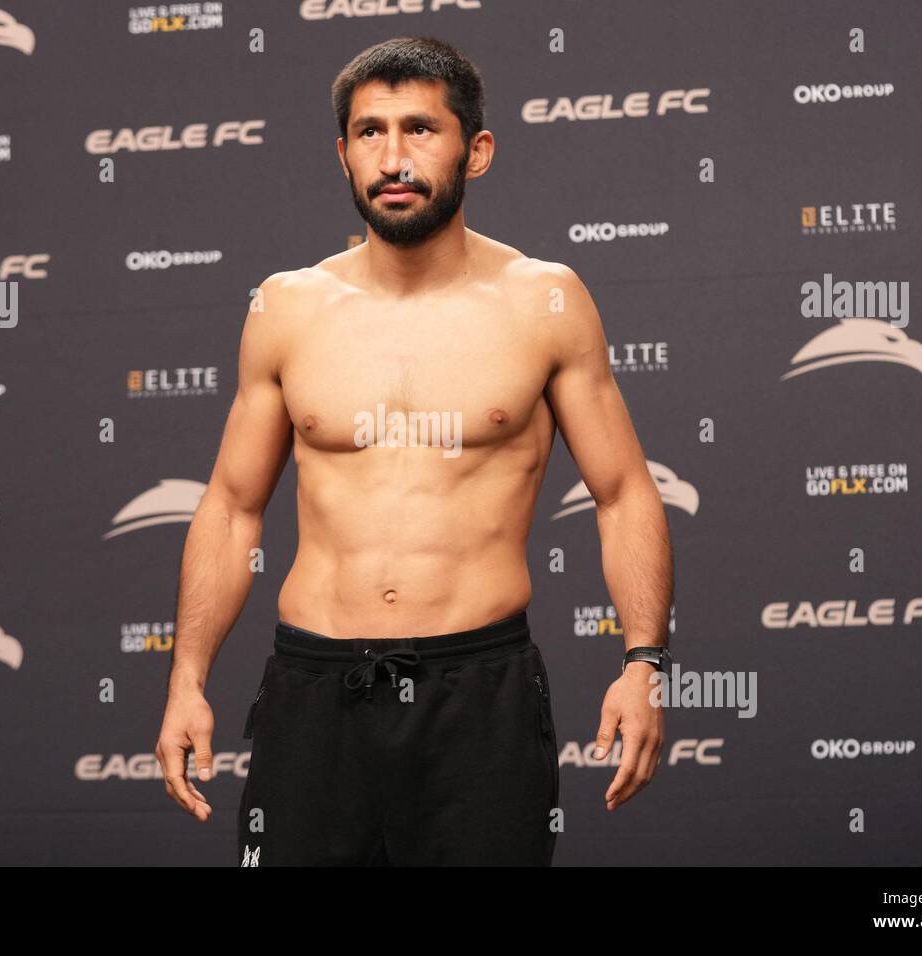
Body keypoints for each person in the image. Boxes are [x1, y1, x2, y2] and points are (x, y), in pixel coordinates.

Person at [155, 35, 674, 866]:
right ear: (342, 153)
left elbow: (622, 493)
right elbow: (230, 506)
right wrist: (186, 679)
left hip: (478, 694)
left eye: (419, 130)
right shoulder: (287, 307)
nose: (393, 158)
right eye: (369, 133)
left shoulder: (544, 302)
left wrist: (646, 661)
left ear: (478, 150)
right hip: (315, 690)